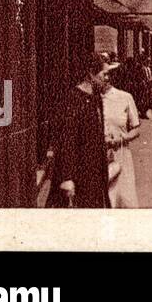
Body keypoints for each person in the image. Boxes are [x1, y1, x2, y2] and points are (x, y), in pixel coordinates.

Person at [49, 51, 113, 208]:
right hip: (79, 175)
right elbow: (66, 139)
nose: (107, 78)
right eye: (104, 74)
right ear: (91, 74)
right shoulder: (74, 99)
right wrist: (67, 177)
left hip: (95, 172)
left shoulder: (95, 98)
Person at [102, 63, 142, 207]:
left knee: (124, 200)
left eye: (109, 75)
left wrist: (124, 137)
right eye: (103, 74)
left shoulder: (124, 97)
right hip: (97, 156)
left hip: (120, 154)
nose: (106, 78)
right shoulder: (90, 99)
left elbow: (136, 128)